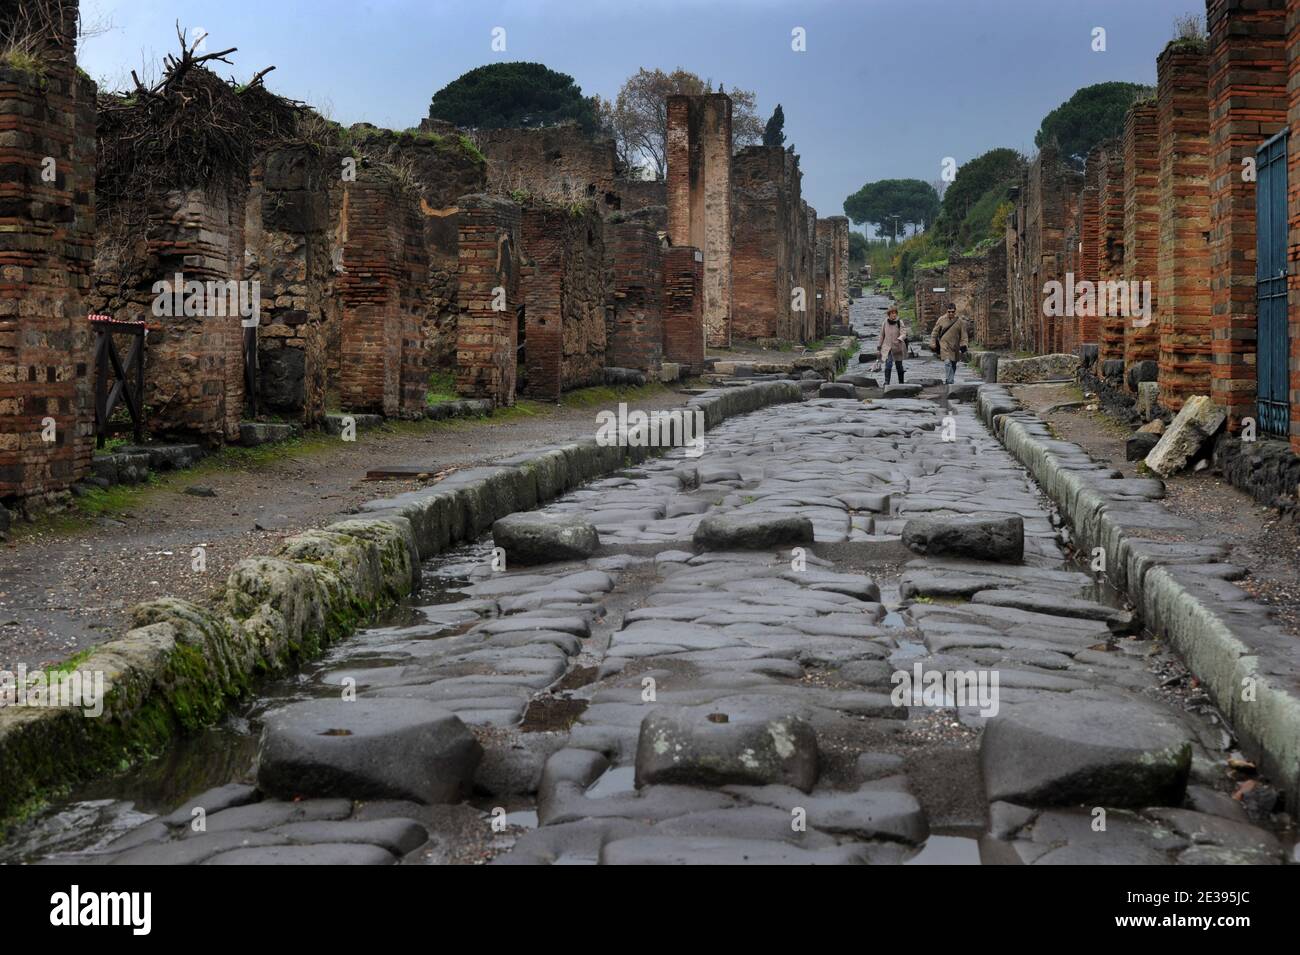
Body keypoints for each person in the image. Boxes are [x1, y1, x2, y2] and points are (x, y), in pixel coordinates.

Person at [930, 302, 969, 385]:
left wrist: (964, 344)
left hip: (955, 346)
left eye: (952, 311)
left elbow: (964, 335)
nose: (951, 313)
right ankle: (949, 381)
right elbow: (935, 332)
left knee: (953, 363)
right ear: (946, 311)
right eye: (949, 311)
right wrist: (933, 342)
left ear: (955, 311)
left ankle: (950, 378)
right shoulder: (941, 319)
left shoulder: (960, 321)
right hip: (944, 344)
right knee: (947, 362)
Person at [877, 306, 908, 384]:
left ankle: (901, 382)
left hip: (898, 347)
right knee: (888, 364)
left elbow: (904, 333)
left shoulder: (899, 322)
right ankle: (887, 382)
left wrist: (900, 339)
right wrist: (879, 347)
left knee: (899, 366)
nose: (894, 315)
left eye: (895, 313)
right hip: (888, 347)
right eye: (892, 313)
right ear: (889, 314)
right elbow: (882, 335)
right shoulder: (885, 322)